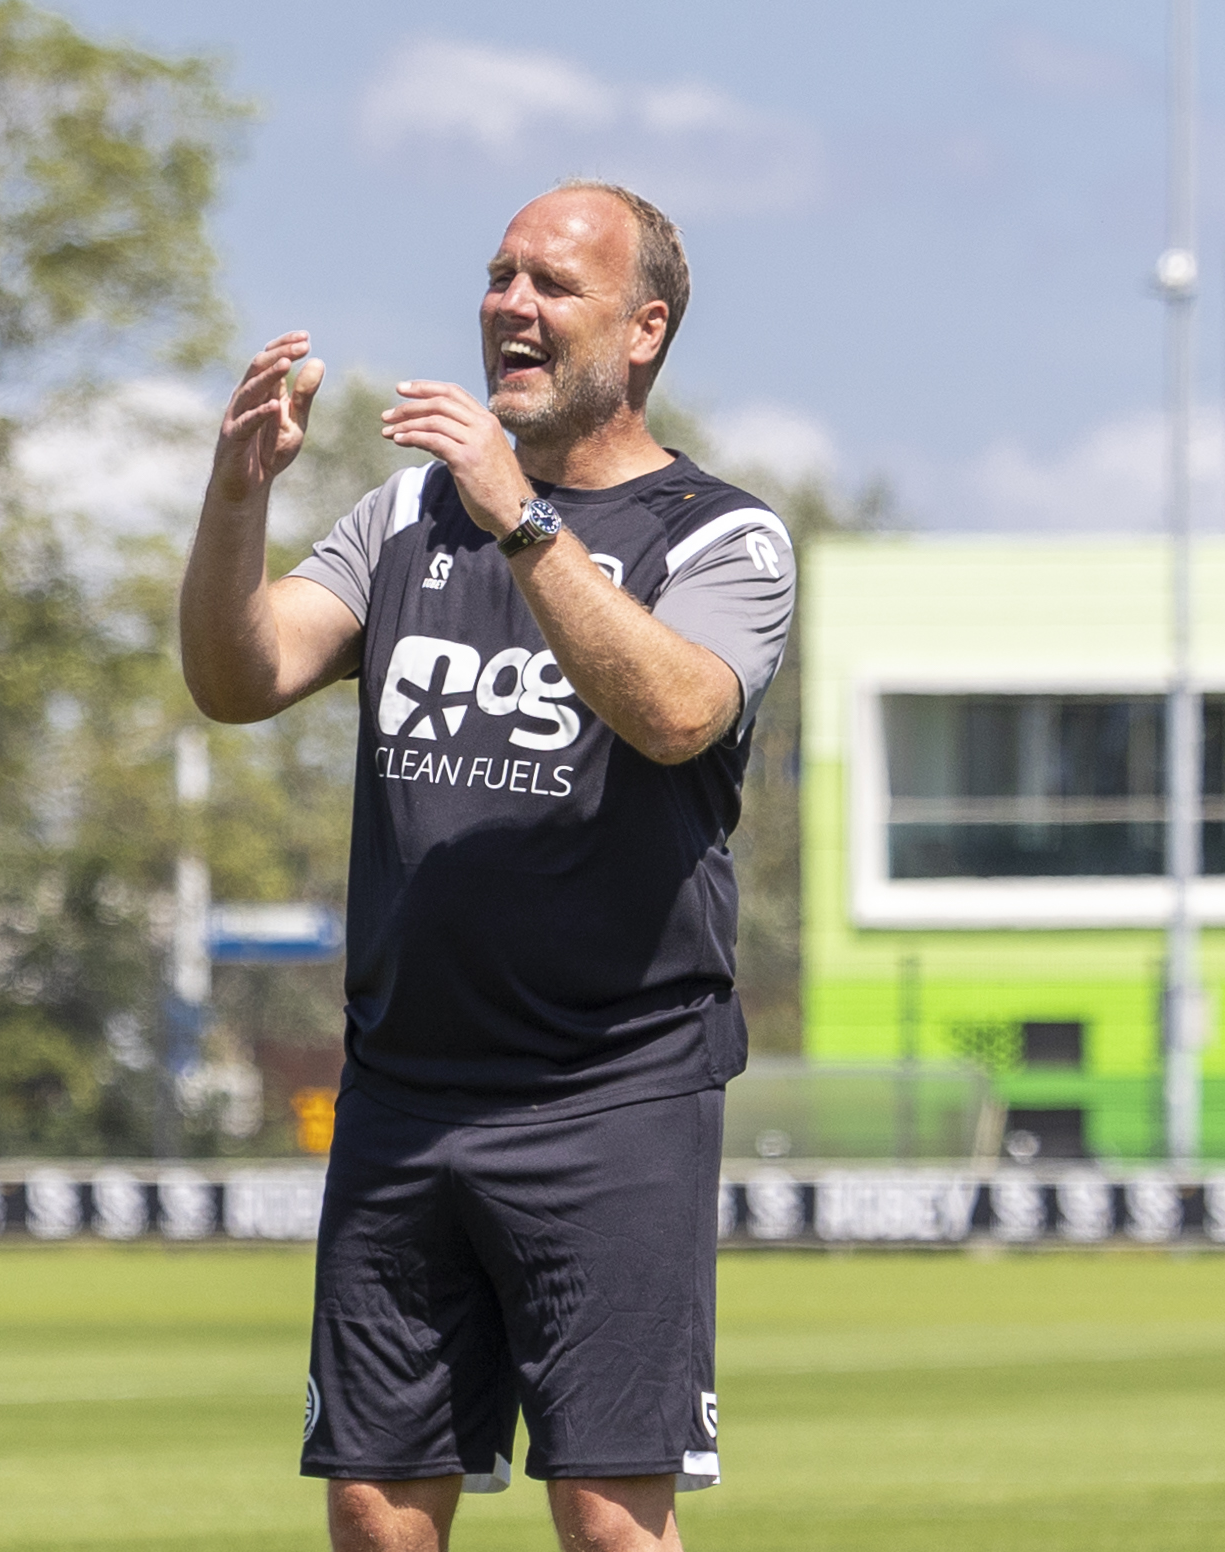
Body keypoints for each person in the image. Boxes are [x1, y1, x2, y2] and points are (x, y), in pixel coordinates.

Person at [178, 181, 795, 1552]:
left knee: (609, 1518)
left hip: (613, 1095)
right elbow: (240, 675)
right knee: (374, 1510)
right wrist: (236, 497)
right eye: (501, 274)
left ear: (644, 331)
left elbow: (677, 711)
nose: (511, 304)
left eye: (552, 284)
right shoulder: (406, 515)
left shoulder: (724, 537)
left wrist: (520, 517)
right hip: (403, 1092)